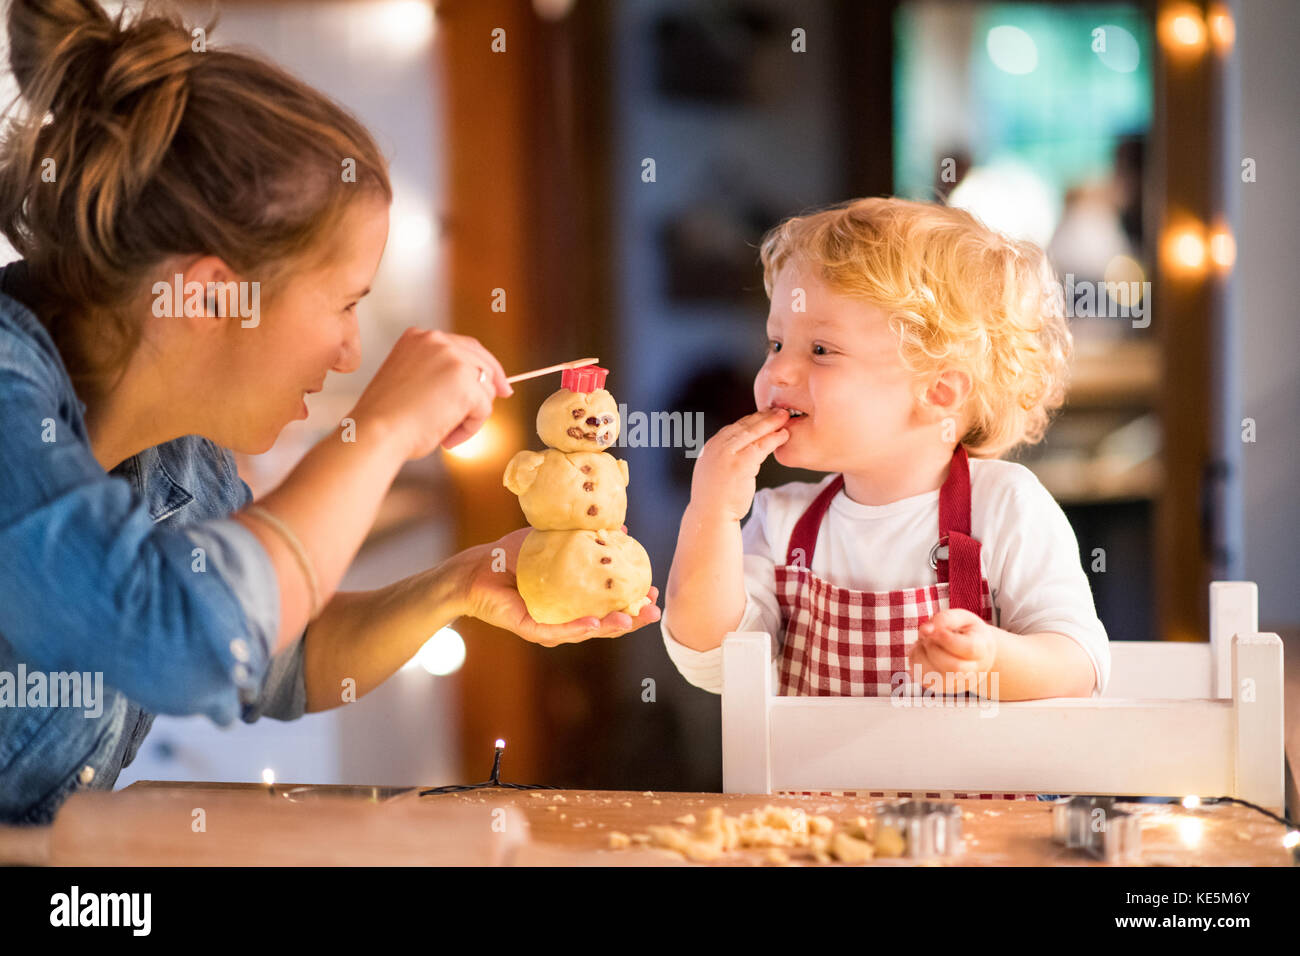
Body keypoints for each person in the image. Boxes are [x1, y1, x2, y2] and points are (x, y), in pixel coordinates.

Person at [0, 0, 657, 825]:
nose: (351, 353)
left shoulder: (181, 461)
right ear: (210, 297)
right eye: (345, 304)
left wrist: (461, 583)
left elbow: (280, 650)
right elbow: (180, 638)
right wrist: (377, 433)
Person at [661, 197, 1109, 800]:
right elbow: (711, 661)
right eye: (775, 343)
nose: (776, 374)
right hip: (808, 843)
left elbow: (1079, 666)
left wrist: (991, 660)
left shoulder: (1006, 507)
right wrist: (711, 513)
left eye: (820, 350)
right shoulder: (781, 520)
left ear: (939, 391)